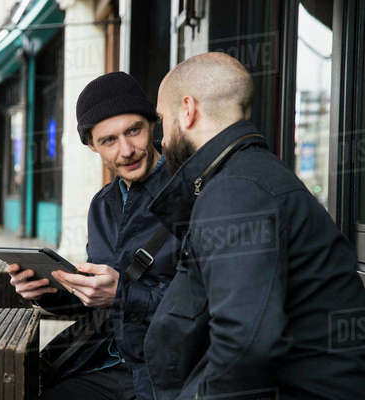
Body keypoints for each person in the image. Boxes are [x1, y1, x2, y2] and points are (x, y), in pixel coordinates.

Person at [145, 52, 365, 399]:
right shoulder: (246, 176)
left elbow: (243, 345)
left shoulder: (236, 191)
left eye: (162, 119)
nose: (162, 139)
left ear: (187, 110)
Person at [7, 72, 180, 400]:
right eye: (109, 140)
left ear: (152, 124)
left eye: (134, 131)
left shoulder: (190, 193)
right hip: (109, 361)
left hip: (168, 372)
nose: (127, 150)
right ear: (91, 145)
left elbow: (207, 300)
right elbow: (96, 302)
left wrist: (123, 294)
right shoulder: (102, 205)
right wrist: (47, 292)